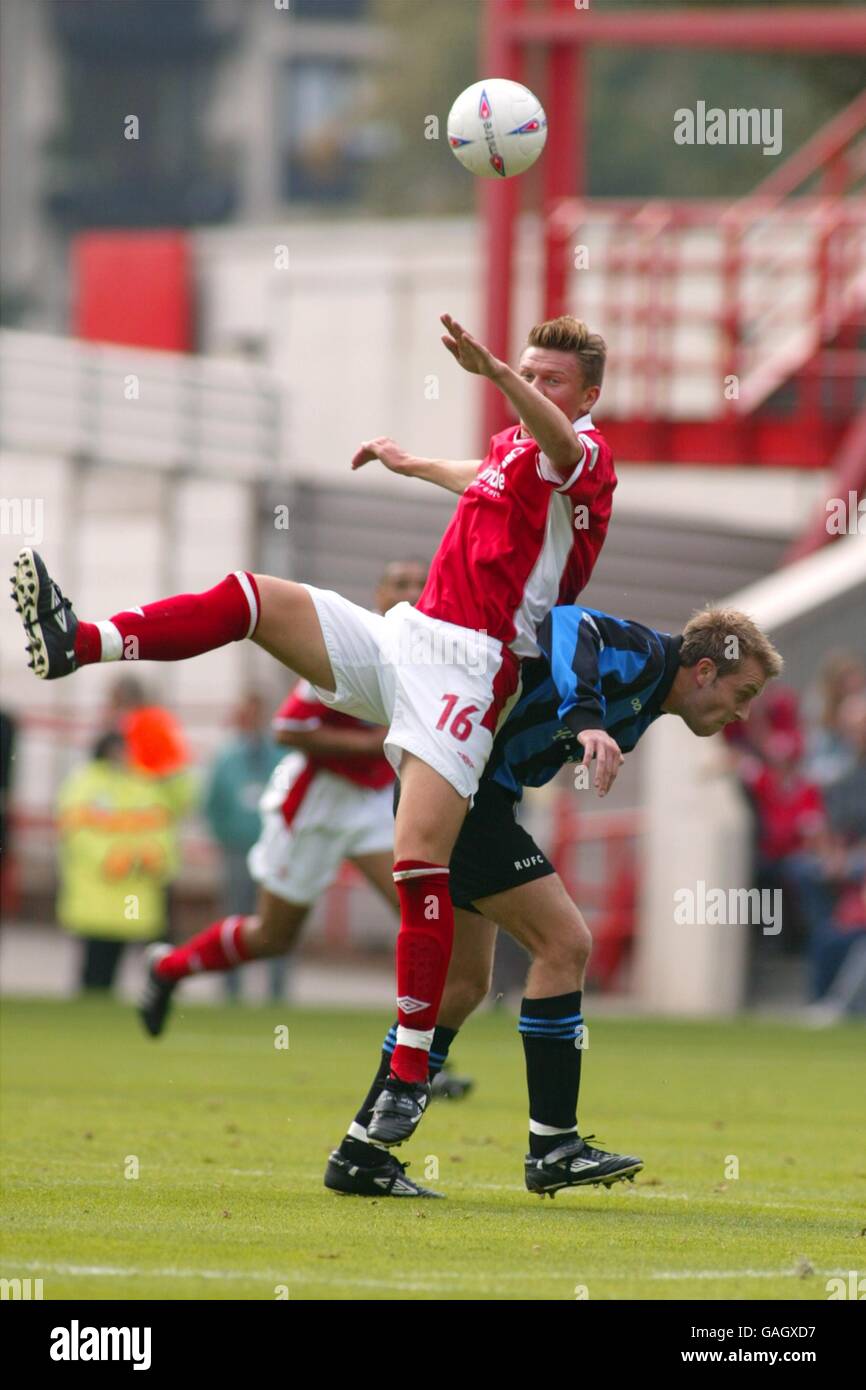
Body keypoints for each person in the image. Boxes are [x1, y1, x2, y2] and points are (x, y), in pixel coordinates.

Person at [12, 311, 616, 1144]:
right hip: (409, 636)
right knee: (250, 598)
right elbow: (487, 469)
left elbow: (553, 443)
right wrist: (413, 465)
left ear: (588, 394)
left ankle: (407, 1075)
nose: (536, 386)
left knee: (416, 860)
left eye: (553, 379)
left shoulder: (588, 457)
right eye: (529, 371)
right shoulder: (519, 449)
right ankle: (77, 641)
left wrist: (495, 374)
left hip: (475, 668)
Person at [323, 601, 783, 1196]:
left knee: (463, 986)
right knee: (564, 943)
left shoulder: (650, 703)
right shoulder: (645, 654)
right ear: (702, 672)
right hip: (466, 797)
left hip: (470, 796)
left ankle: (360, 1154)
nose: (742, 711)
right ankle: (554, 1146)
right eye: (741, 692)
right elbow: (568, 622)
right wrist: (588, 719)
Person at [55, 731, 193, 992]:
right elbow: (77, 831)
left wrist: (150, 855)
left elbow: (165, 822)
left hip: (136, 896)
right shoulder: (85, 784)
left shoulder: (144, 783)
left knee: (155, 970)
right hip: (99, 898)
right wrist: (110, 857)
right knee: (97, 971)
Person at [201, 691, 286, 1001]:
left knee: (278, 918)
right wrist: (226, 837)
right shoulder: (227, 758)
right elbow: (212, 804)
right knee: (235, 916)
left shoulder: (279, 755)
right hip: (237, 850)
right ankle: (231, 988)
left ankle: (277, 991)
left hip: (275, 851)